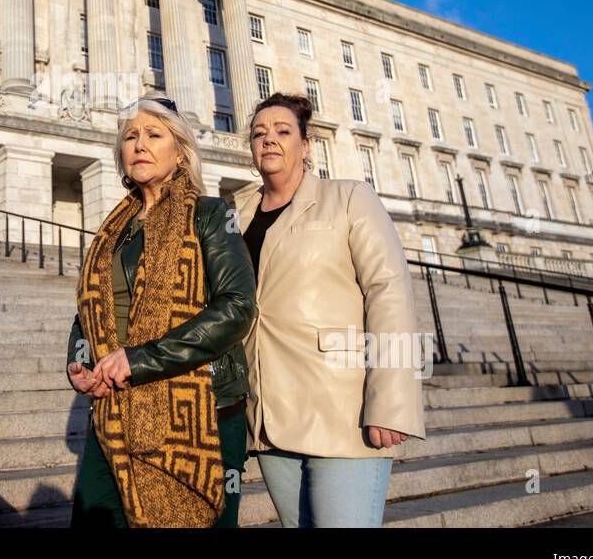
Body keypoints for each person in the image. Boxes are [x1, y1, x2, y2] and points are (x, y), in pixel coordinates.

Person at [65, 91, 257, 527]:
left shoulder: (211, 214)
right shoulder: (112, 231)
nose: (139, 143)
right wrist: (80, 362)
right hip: (116, 408)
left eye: (154, 134)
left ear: (181, 152)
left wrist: (138, 360)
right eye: (130, 136)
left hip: (203, 405)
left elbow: (238, 307)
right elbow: (88, 314)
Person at [241, 92, 427, 527]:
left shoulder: (349, 197)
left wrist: (391, 402)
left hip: (341, 409)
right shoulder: (238, 215)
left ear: (306, 147)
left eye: (283, 131)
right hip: (268, 415)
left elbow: (390, 291)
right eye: (259, 133)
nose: (269, 140)